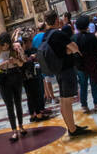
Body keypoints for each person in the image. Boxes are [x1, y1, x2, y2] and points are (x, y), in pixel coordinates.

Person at [37, 10, 93, 139]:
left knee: (64, 101)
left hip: (58, 70)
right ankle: (72, 129)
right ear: (56, 19)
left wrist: (66, 51)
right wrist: (69, 51)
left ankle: (71, 126)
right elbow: (74, 48)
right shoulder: (58, 34)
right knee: (67, 101)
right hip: (66, 70)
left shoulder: (46, 35)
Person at [0, 32, 27, 142]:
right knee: (9, 106)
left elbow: (22, 63)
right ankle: (14, 131)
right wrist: (1, 65)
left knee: (18, 103)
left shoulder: (15, 49)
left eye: (7, 44)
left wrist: (16, 61)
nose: (5, 46)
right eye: (3, 44)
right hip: (3, 79)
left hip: (16, 76)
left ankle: (20, 126)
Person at [74, 14, 97, 112]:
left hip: (80, 65)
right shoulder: (91, 37)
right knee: (94, 83)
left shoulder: (74, 38)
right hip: (92, 63)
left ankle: (84, 106)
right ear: (87, 25)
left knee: (83, 85)